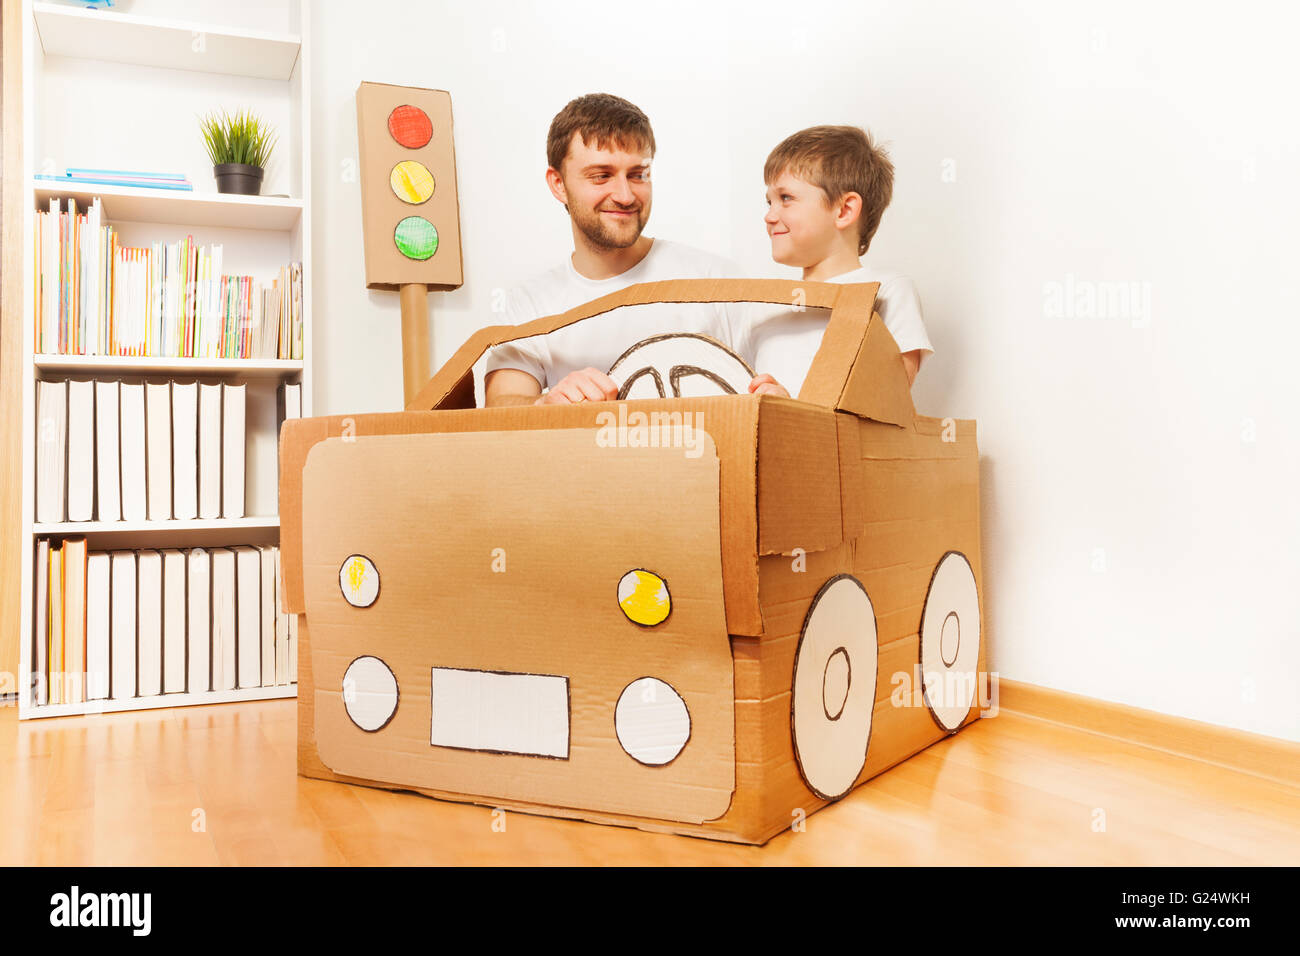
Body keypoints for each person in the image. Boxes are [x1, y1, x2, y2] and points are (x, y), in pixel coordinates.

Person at [485, 93, 753, 406]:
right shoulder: (529, 305)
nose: (625, 195)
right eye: (602, 176)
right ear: (558, 184)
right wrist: (546, 405)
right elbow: (502, 404)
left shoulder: (718, 283)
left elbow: (771, 395)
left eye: (637, 175)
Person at [739, 125, 933, 399]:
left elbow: (890, 399)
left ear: (844, 210)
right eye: (768, 201)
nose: (769, 216)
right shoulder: (765, 309)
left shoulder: (887, 291)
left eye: (786, 198)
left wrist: (792, 413)